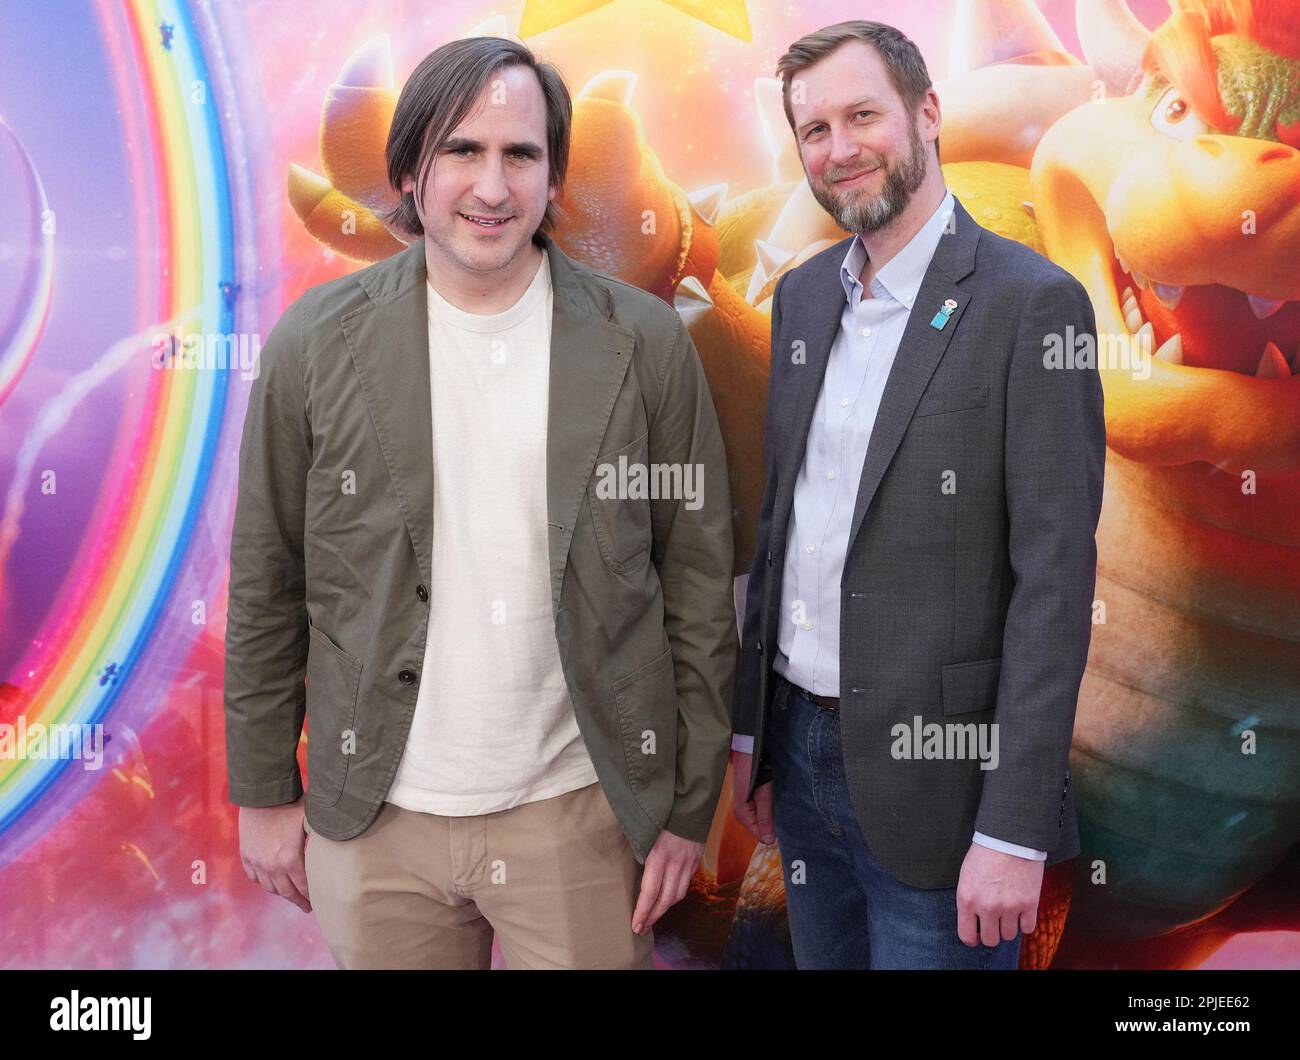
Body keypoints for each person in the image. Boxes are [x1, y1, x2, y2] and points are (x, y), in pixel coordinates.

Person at [224, 36, 737, 969]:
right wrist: (263, 791)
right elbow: (267, 578)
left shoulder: (646, 343)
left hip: (579, 815)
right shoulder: (314, 344)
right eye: (462, 150)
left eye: (521, 155)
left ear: (554, 178)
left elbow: (697, 591)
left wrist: (689, 805)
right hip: (374, 820)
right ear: (411, 169)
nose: (492, 187)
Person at [731, 20, 1105, 969]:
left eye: (863, 115)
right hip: (802, 761)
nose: (839, 148)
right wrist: (761, 741)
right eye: (814, 130)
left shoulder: (1034, 305)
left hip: (947, 796)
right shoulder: (804, 297)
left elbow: (1054, 585)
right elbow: (785, 527)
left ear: (927, 113)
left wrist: (1015, 832)